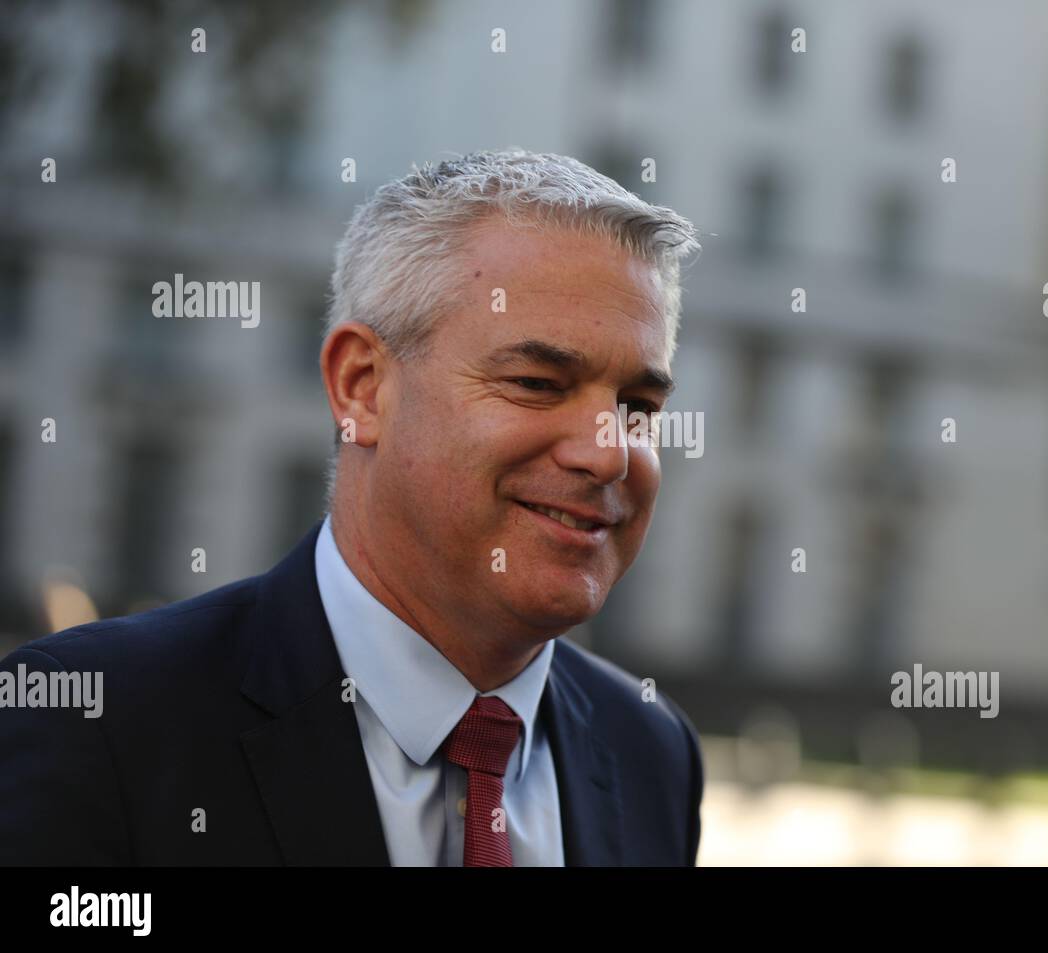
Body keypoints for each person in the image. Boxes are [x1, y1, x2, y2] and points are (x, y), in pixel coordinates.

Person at [0, 148, 704, 866]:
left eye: (638, 406)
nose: (608, 453)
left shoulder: (650, 751)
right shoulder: (93, 722)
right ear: (362, 387)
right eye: (536, 383)